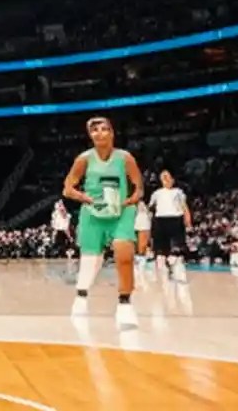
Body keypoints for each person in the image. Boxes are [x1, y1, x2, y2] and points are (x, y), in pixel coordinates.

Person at [62, 117, 143, 328]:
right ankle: (80, 297)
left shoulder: (125, 158)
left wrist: (131, 200)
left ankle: (125, 304)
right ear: (90, 136)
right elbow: (68, 188)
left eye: (104, 129)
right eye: (95, 130)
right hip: (93, 212)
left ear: (112, 133)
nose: (100, 133)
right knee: (90, 261)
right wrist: (84, 197)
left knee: (123, 253)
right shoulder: (84, 159)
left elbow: (138, 188)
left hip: (120, 211)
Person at [150, 170, 192, 282]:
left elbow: (184, 206)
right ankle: (166, 271)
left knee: (176, 248)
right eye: (163, 178)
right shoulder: (156, 193)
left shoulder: (178, 192)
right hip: (160, 220)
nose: (166, 180)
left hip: (175, 219)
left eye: (168, 177)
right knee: (162, 250)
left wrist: (188, 219)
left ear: (173, 180)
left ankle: (175, 269)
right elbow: (151, 208)